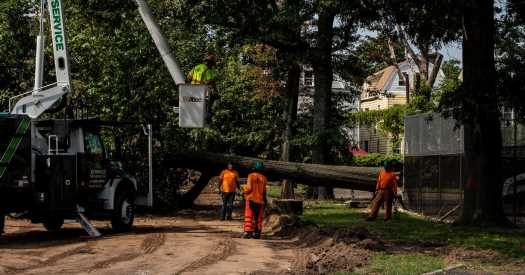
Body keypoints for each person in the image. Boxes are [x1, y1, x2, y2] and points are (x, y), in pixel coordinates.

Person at [242, 160, 268, 239]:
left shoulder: (251, 175)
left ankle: (248, 232)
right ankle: (257, 233)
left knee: (249, 216)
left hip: (250, 198)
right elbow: (264, 191)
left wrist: (244, 190)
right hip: (260, 200)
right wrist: (264, 199)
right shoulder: (264, 178)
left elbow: (249, 188)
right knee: (258, 217)